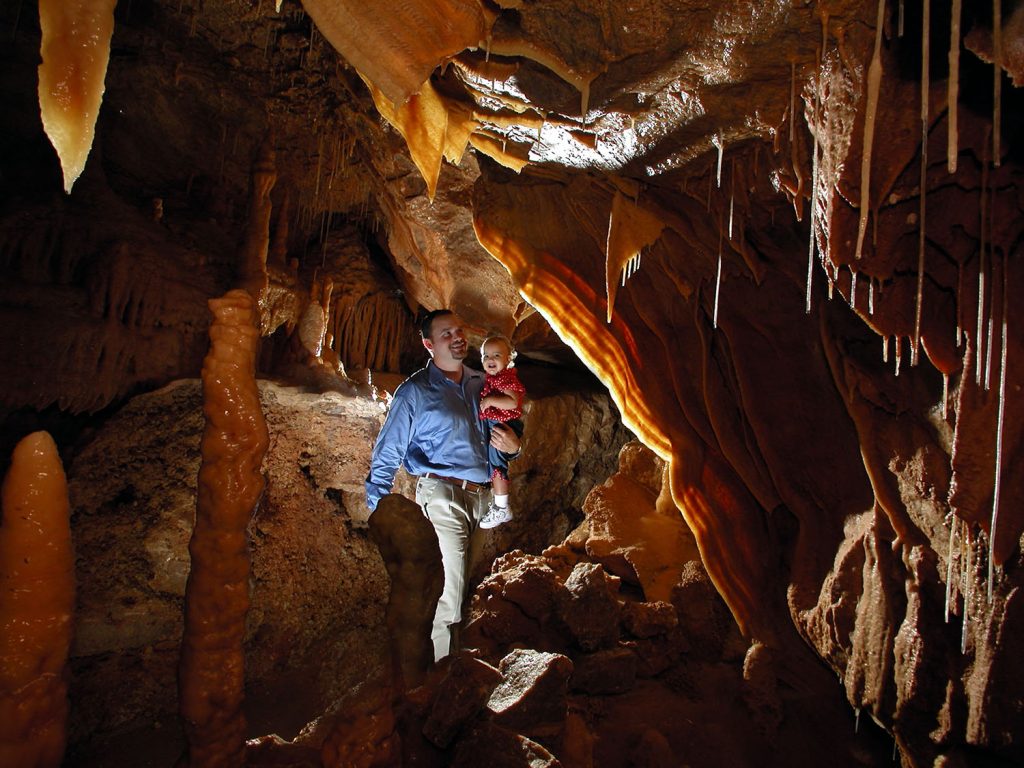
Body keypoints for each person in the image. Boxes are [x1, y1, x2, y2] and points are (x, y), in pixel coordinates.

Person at [365, 309, 521, 661]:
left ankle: (459, 673)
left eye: (459, 330)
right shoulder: (415, 392)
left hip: (482, 499)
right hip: (441, 496)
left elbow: (502, 439)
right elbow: (388, 452)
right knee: (446, 593)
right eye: (446, 333)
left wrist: (516, 447)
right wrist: (379, 509)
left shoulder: (483, 383)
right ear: (428, 344)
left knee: (468, 589)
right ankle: (434, 682)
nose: (456, 337)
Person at [478, 335, 526, 529]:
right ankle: (499, 505)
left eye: (496, 355)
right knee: (494, 463)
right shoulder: (494, 379)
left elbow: (513, 401)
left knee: (497, 464)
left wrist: (489, 401)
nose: (490, 359)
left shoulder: (505, 378)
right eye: (485, 355)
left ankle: (501, 507)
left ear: (508, 359)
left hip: (502, 424)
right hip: (497, 423)